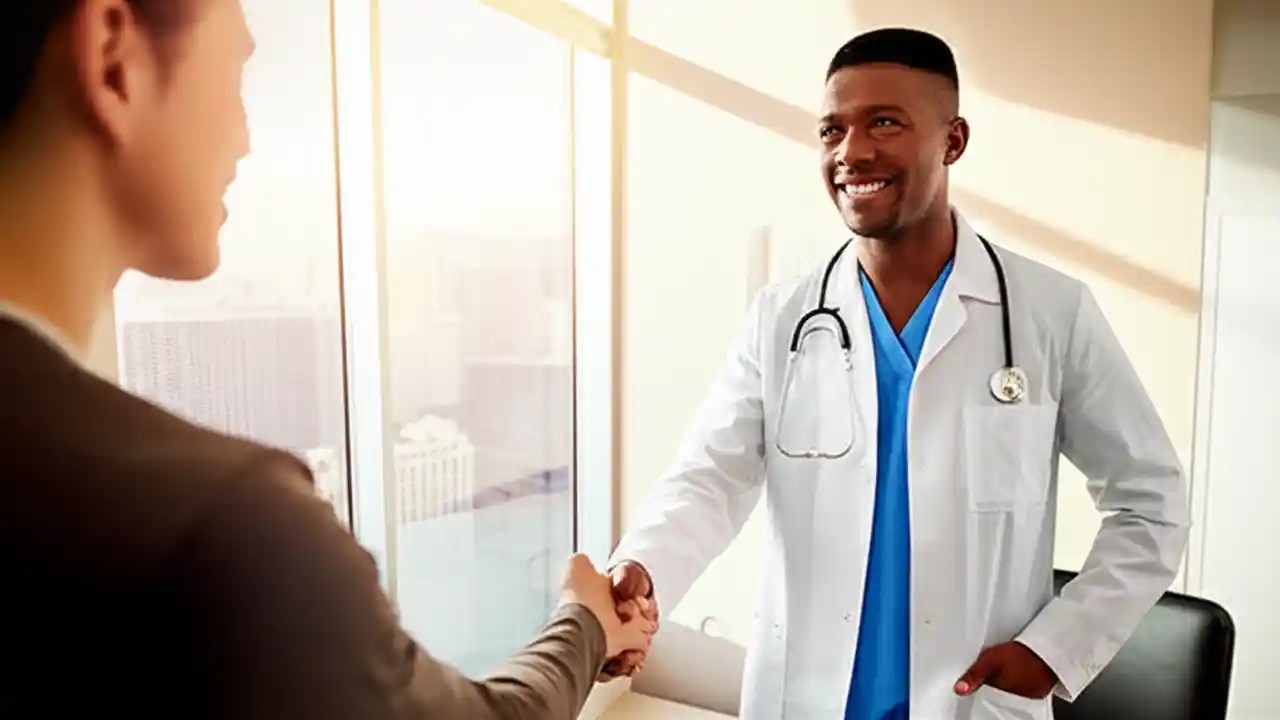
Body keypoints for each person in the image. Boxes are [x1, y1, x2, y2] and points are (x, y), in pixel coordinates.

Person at [0, 1, 653, 717]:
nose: (246, 139)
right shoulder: (222, 529)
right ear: (114, 56)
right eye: (239, 73)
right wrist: (583, 620)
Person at [601, 27, 1190, 720]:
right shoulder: (783, 318)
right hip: (806, 699)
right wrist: (643, 568)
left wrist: (1058, 648)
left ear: (953, 140)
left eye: (884, 122)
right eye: (832, 130)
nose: (852, 152)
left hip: (972, 701)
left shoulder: (1049, 313)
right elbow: (708, 479)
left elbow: (1152, 502)